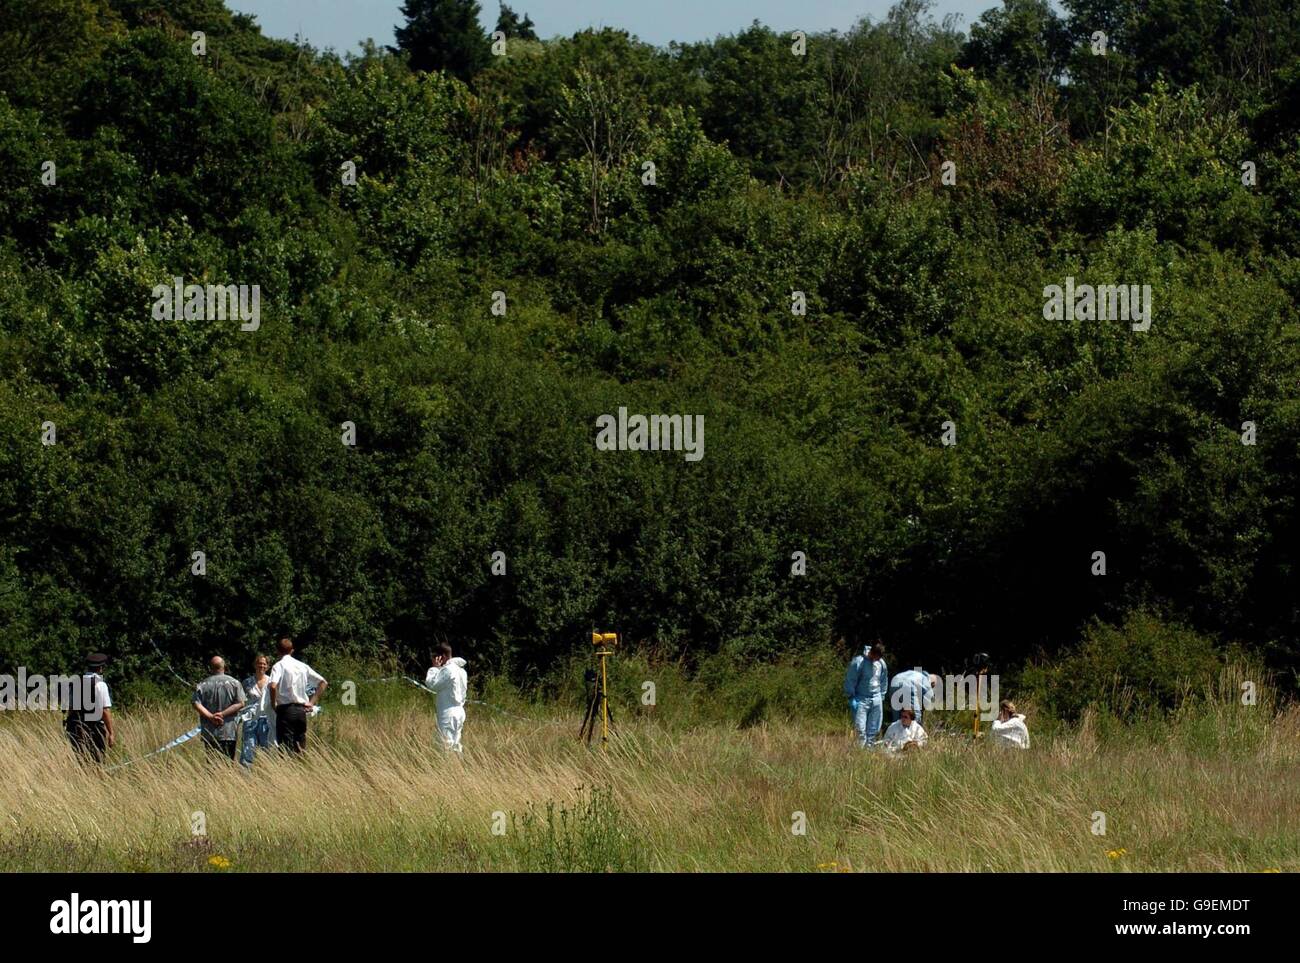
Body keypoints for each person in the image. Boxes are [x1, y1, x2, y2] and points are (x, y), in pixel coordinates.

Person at [268, 637, 327, 753]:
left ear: (277, 651)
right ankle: (300, 768)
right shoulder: (302, 666)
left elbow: (273, 686)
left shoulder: (278, 666)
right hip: (301, 711)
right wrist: (311, 702)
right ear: (292, 651)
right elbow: (323, 683)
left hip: (285, 710)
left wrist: (273, 704)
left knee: (285, 747)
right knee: (300, 747)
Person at [65, 652, 115, 763]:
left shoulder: (76, 683)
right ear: (100, 668)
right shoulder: (101, 685)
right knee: (97, 761)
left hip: (77, 728)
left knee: (81, 760)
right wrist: (111, 733)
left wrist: (68, 725)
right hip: (95, 728)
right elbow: (105, 711)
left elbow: (71, 709)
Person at [194, 657, 247, 760]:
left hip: (209, 732)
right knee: (227, 764)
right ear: (224, 667)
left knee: (212, 764)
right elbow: (241, 703)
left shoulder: (203, 684)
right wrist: (222, 714)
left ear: (210, 668)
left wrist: (211, 716)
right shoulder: (235, 683)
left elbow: (196, 703)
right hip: (229, 732)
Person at [424, 643, 468, 752]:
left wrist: (434, 668)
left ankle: (445, 767)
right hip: (459, 711)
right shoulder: (461, 671)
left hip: (448, 713)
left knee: (444, 746)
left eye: (435, 657)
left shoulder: (448, 670)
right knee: (456, 745)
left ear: (442, 657)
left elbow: (432, 684)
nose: (434, 660)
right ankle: (458, 766)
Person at [844, 642, 888, 748]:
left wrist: (882, 695)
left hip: (876, 698)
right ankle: (860, 750)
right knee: (860, 727)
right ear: (871, 652)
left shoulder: (881, 664)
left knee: (874, 727)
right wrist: (851, 697)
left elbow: (883, 680)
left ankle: (870, 749)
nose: (876, 660)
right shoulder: (859, 662)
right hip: (861, 698)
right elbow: (850, 680)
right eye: (875, 657)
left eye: (878, 658)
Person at [240, 654, 277, 766]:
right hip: (250, 719)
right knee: (248, 748)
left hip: (267, 719)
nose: (262, 665)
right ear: (255, 665)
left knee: (267, 749)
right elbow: (241, 701)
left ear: (268, 666)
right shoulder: (246, 682)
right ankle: (245, 775)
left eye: (264, 663)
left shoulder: (272, 681)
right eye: (259, 663)